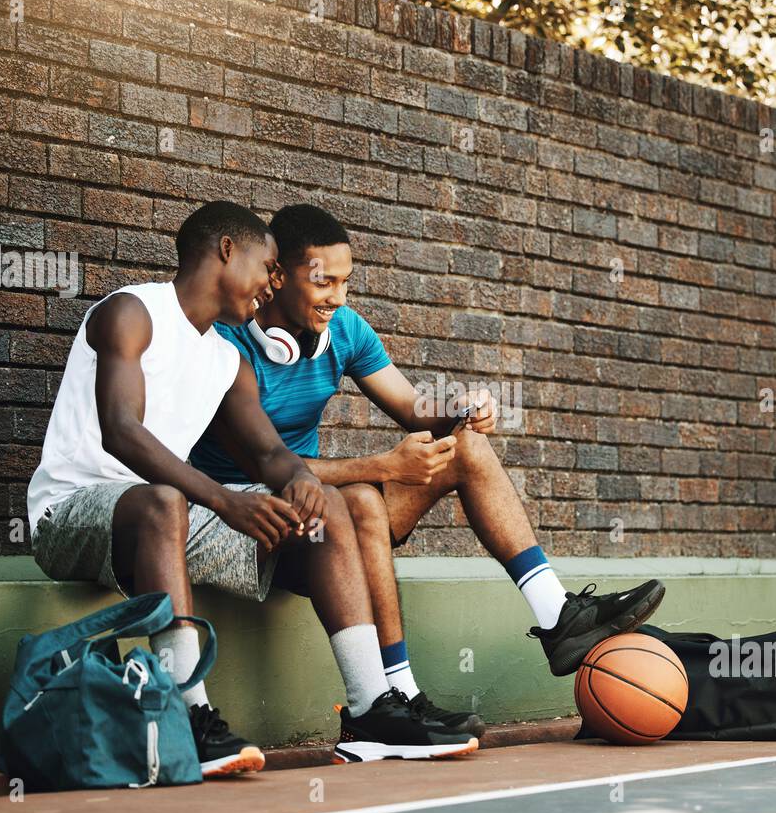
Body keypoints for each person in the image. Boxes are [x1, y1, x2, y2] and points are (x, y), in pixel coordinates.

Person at [27, 201, 478, 774]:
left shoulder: (225, 359)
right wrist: (221, 499)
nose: (271, 285)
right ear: (225, 251)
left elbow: (268, 454)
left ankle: (371, 711)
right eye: (267, 267)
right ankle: (184, 716)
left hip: (170, 522)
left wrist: (299, 484)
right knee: (164, 501)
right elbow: (122, 432)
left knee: (328, 509)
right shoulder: (132, 312)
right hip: (72, 517)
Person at [189, 204, 666, 736]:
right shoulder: (225, 345)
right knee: (365, 499)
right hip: (251, 514)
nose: (338, 298)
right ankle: (399, 695)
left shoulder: (344, 329)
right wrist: (383, 465)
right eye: (324, 282)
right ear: (276, 278)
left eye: (346, 282)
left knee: (466, 448)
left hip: (325, 514)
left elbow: (416, 409)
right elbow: (265, 461)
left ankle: (557, 615)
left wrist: (463, 409)